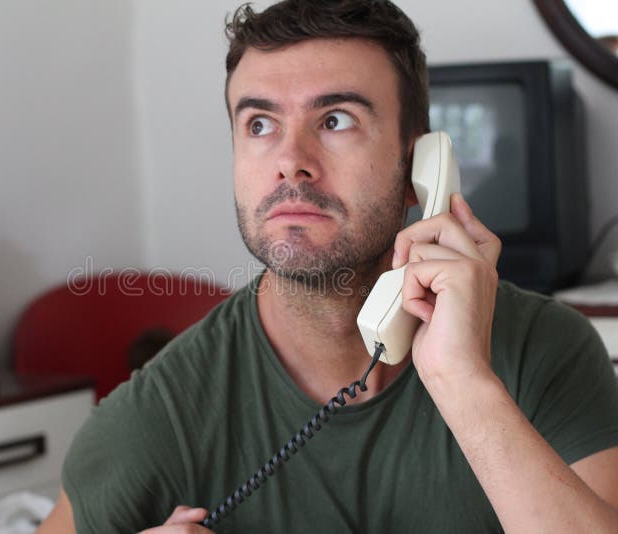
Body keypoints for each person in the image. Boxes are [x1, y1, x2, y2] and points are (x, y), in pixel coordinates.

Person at [39, 1, 618, 532]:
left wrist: (461, 381)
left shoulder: (549, 349)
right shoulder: (161, 413)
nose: (291, 162)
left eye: (336, 119)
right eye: (260, 125)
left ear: (421, 167)